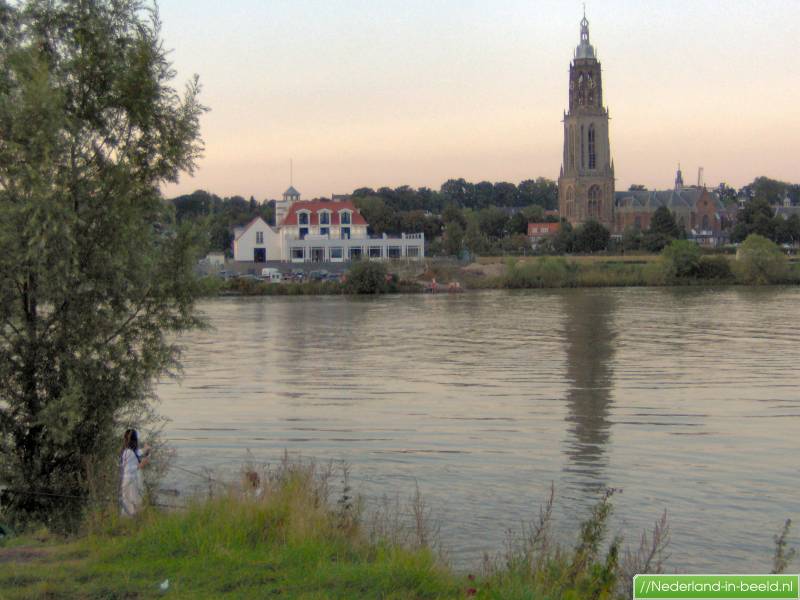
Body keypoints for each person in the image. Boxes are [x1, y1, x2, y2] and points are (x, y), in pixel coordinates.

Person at [119, 429, 150, 517]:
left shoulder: (130, 450)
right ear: (134, 440)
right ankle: (132, 520)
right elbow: (127, 469)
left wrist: (146, 449)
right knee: (131, 503)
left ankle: (133, 519)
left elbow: (139, 453)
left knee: (133, 502)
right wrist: (140, 465)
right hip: (130, 481)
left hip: (131, 480)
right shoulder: (128, 452)